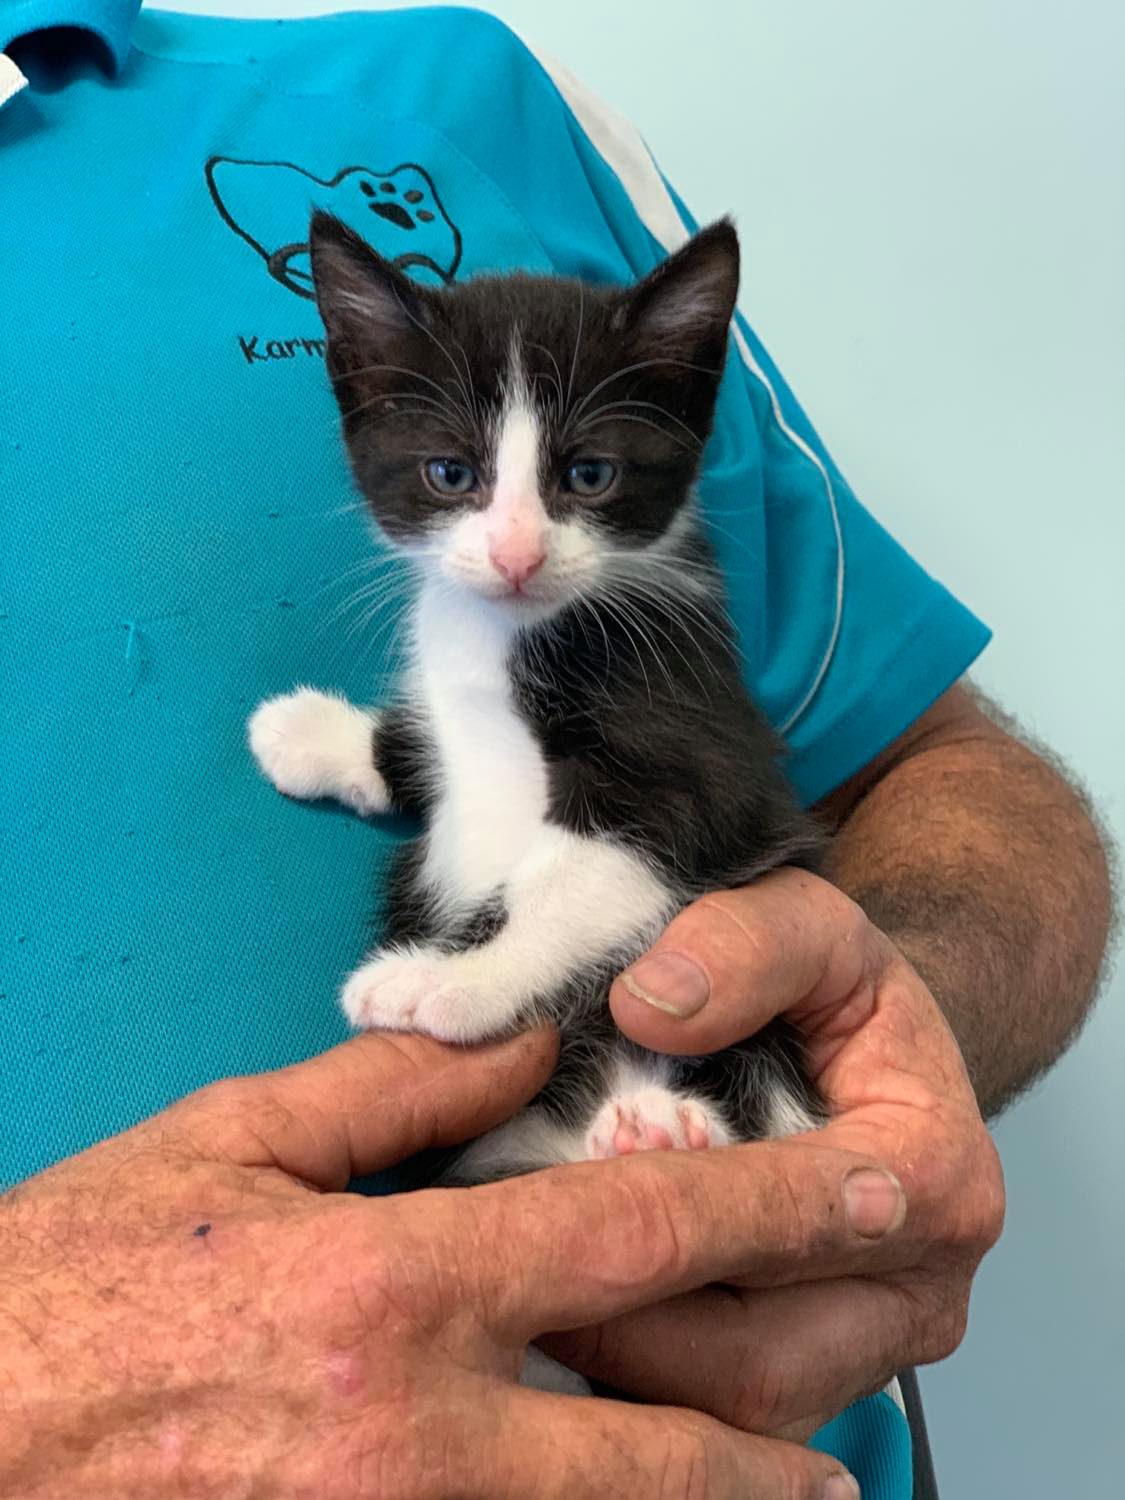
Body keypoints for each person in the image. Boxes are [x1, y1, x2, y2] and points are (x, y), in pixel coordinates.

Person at [0, 4, 1110, 1495]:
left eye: (578, 479)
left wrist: (860, 1082)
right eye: (458, 482)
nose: (514, 547)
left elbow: (920, 776)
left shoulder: (467, 92)